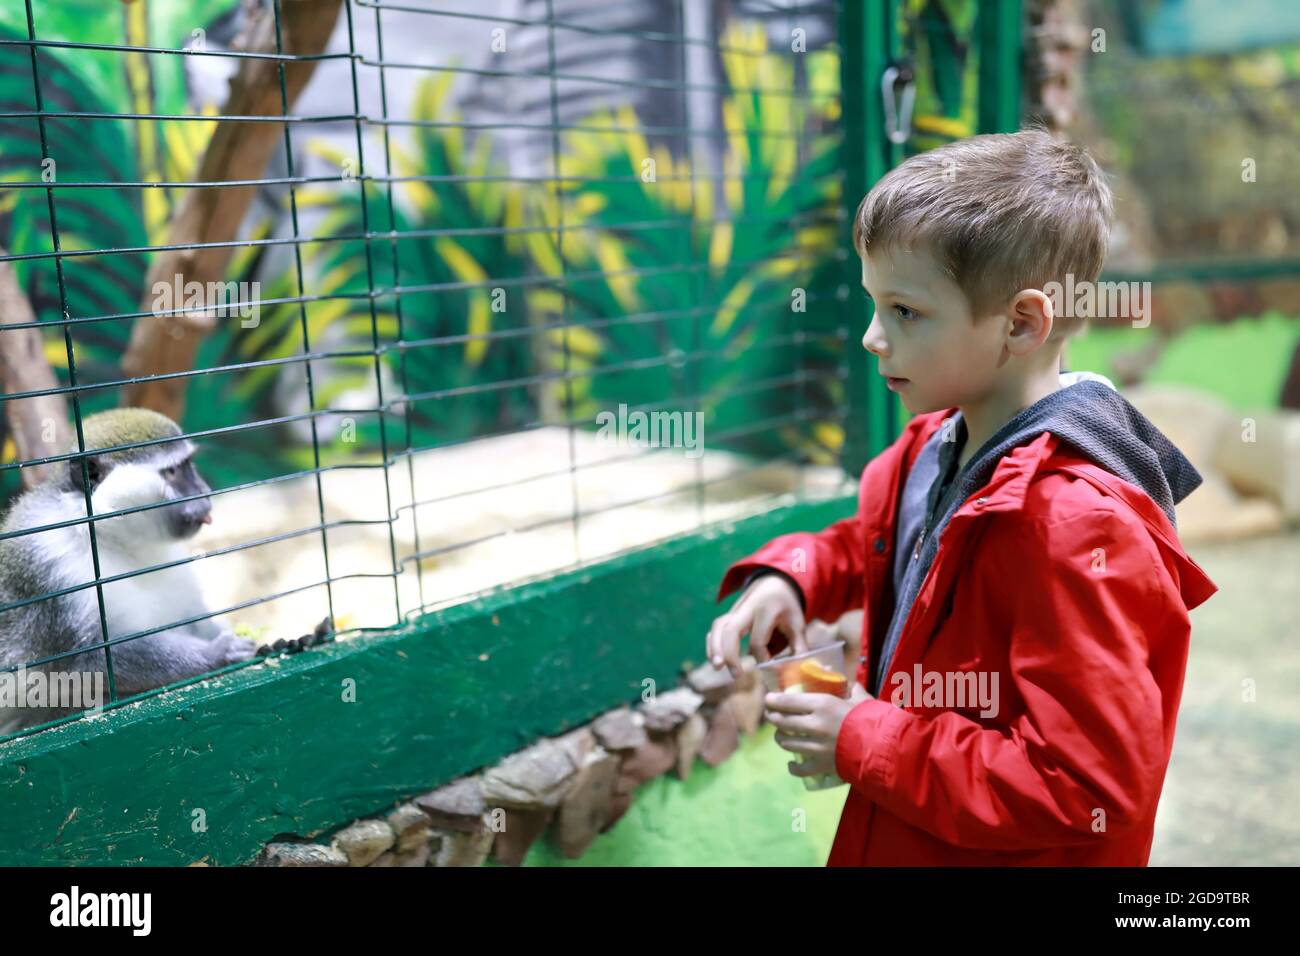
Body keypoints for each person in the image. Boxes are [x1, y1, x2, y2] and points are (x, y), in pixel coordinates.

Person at [705, 128, 1217, 866]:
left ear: (1021, 323)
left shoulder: (1076, 527)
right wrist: (792, 575)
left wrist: (863, 737)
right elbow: (884, 543)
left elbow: (1085, 787)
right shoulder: (938, 446)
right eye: (874, 305)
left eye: (905, 312)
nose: (872, 338)